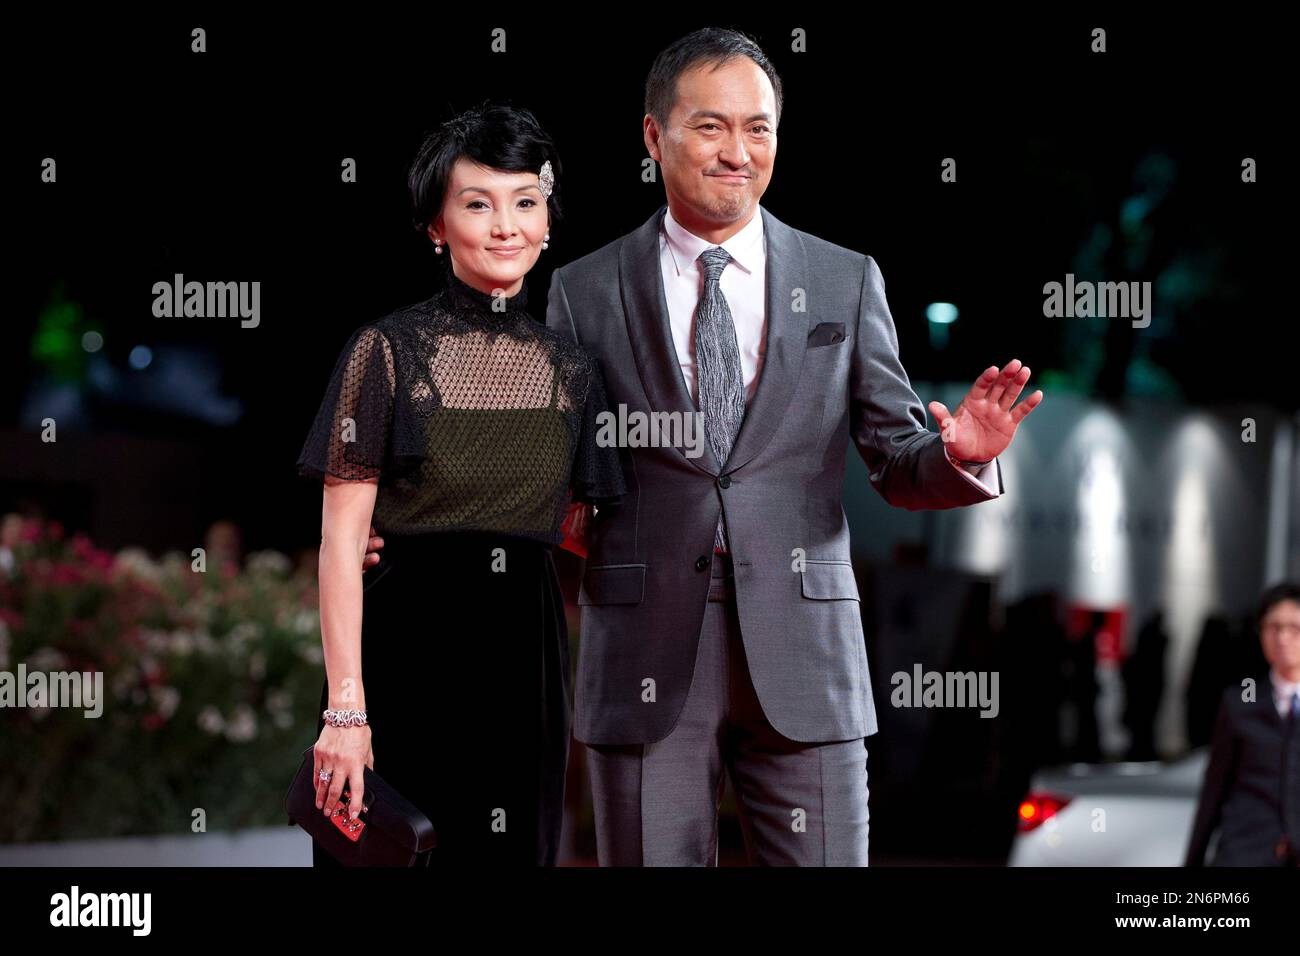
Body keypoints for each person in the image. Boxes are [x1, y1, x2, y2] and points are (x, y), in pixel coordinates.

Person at [371, 28, 1042, 866]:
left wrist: (963, 456)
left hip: (806, 656)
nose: (738, 151)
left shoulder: (845, 278)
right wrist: (399, 523)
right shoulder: (584, 289)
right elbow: (546, 474)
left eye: (758, 128)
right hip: (644, 655)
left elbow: (898, 458)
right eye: (711, 126)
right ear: (654, 138)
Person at [295, 103, 625, 867]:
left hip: (525, 658)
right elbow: (341, 543)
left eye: (525, 202)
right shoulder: (385, 353)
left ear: (548, 221)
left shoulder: (575, 373)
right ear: (436, 226)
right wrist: (347, 714)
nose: (505, 225)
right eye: (478, 203)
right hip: (404, 650)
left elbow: (580, 528)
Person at [1185, 582, 1300, 866]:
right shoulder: (1242, 701)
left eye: (1294, 628)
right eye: (1273, 628)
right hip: (1246, 851)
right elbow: (1214, 790)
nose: (1283, 638)